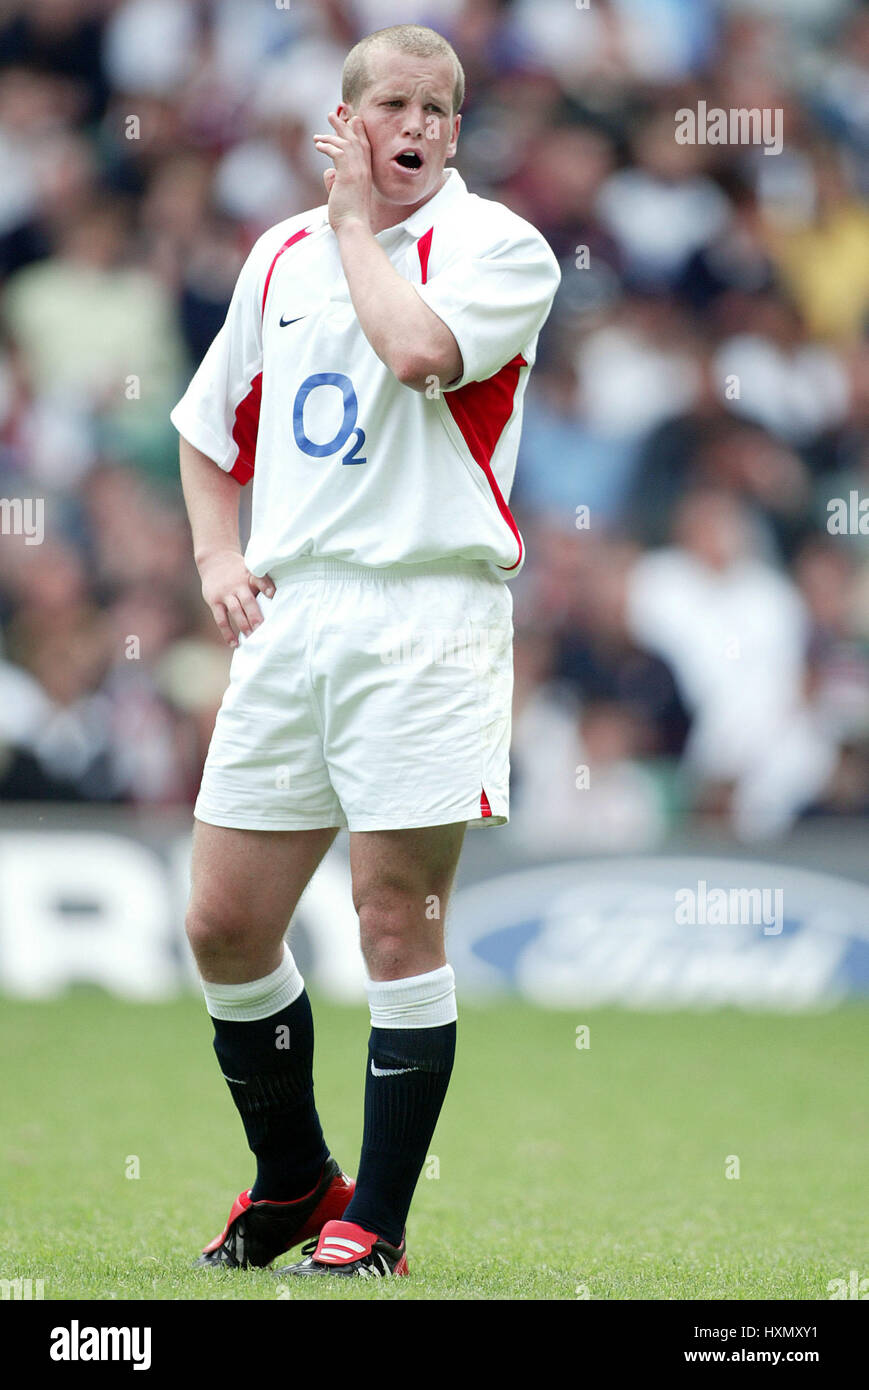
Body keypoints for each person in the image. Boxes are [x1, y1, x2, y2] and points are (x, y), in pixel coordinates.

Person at [171, 22, 560, 1280]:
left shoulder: (499, 247)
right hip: (294, 619)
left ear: (454, 130)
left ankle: (376, 1218)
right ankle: (293, 1181)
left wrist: (350, 226)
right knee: (225, 923)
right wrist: (215, 558)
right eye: (391, 101)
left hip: (426, 615)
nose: (416, 123)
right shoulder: (276, 254)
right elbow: (204, 423)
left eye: (437, 108)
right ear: (345, 119)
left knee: (395, 919)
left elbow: (415, 354)